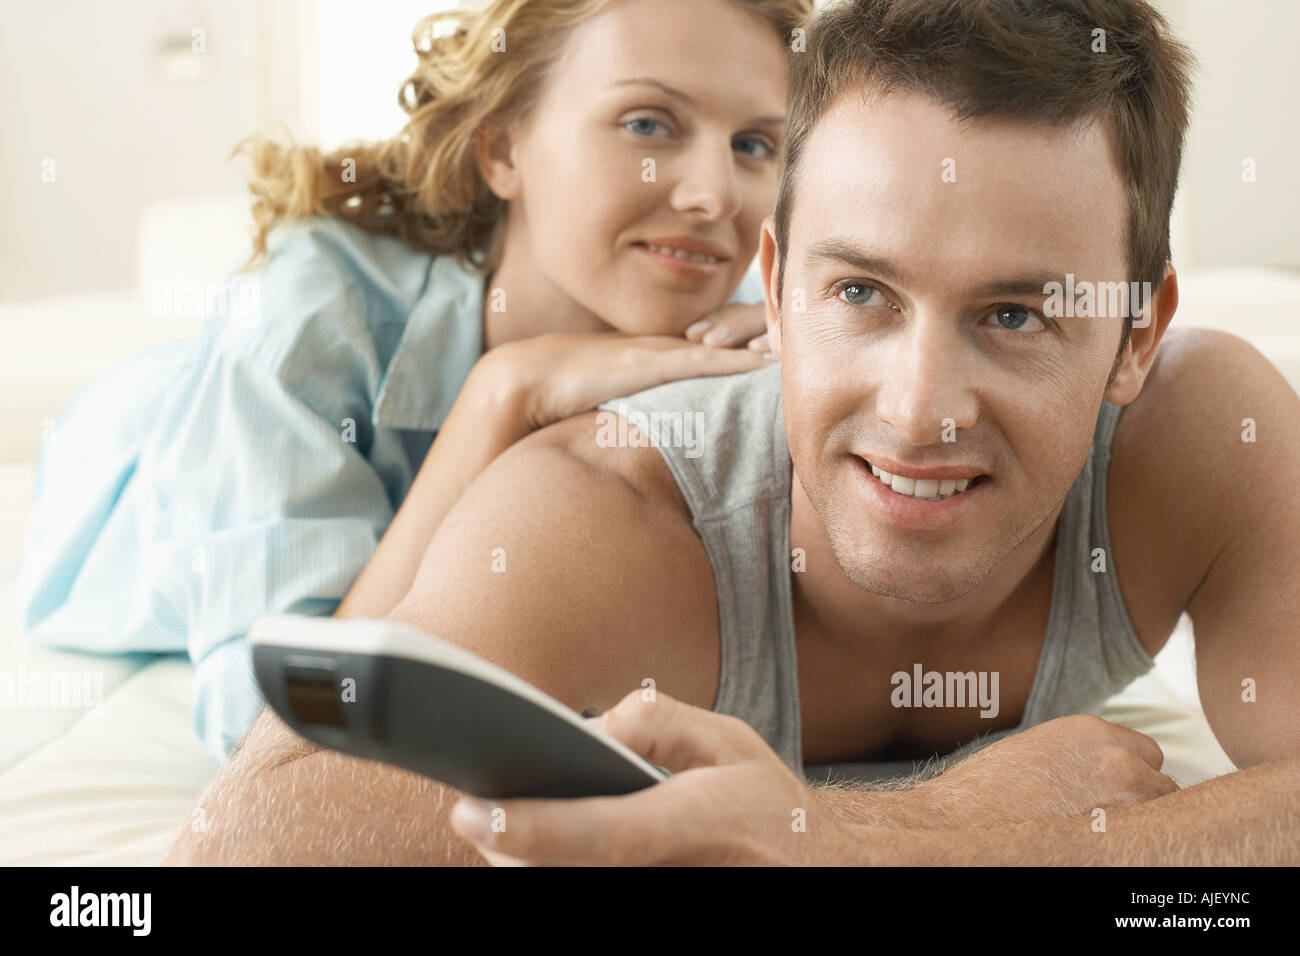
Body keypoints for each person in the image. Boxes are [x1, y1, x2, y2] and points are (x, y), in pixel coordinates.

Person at [166, 0, 1300, 868]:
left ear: (1134, 336)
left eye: (1014, 314)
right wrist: (936, 824)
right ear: (776, 282)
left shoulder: (1200, 435)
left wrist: (904, 843)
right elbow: (243, 842)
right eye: (859, 292)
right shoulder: (606, 515)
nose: (916, 410)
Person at [17, 0, 810, 762]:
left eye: (753, 146)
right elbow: (277, 733)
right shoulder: (307, 316)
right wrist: (504, 394)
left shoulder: (745, 324)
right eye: (646, 124)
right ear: (502, 149)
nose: (714, 196)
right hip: (127, 459)